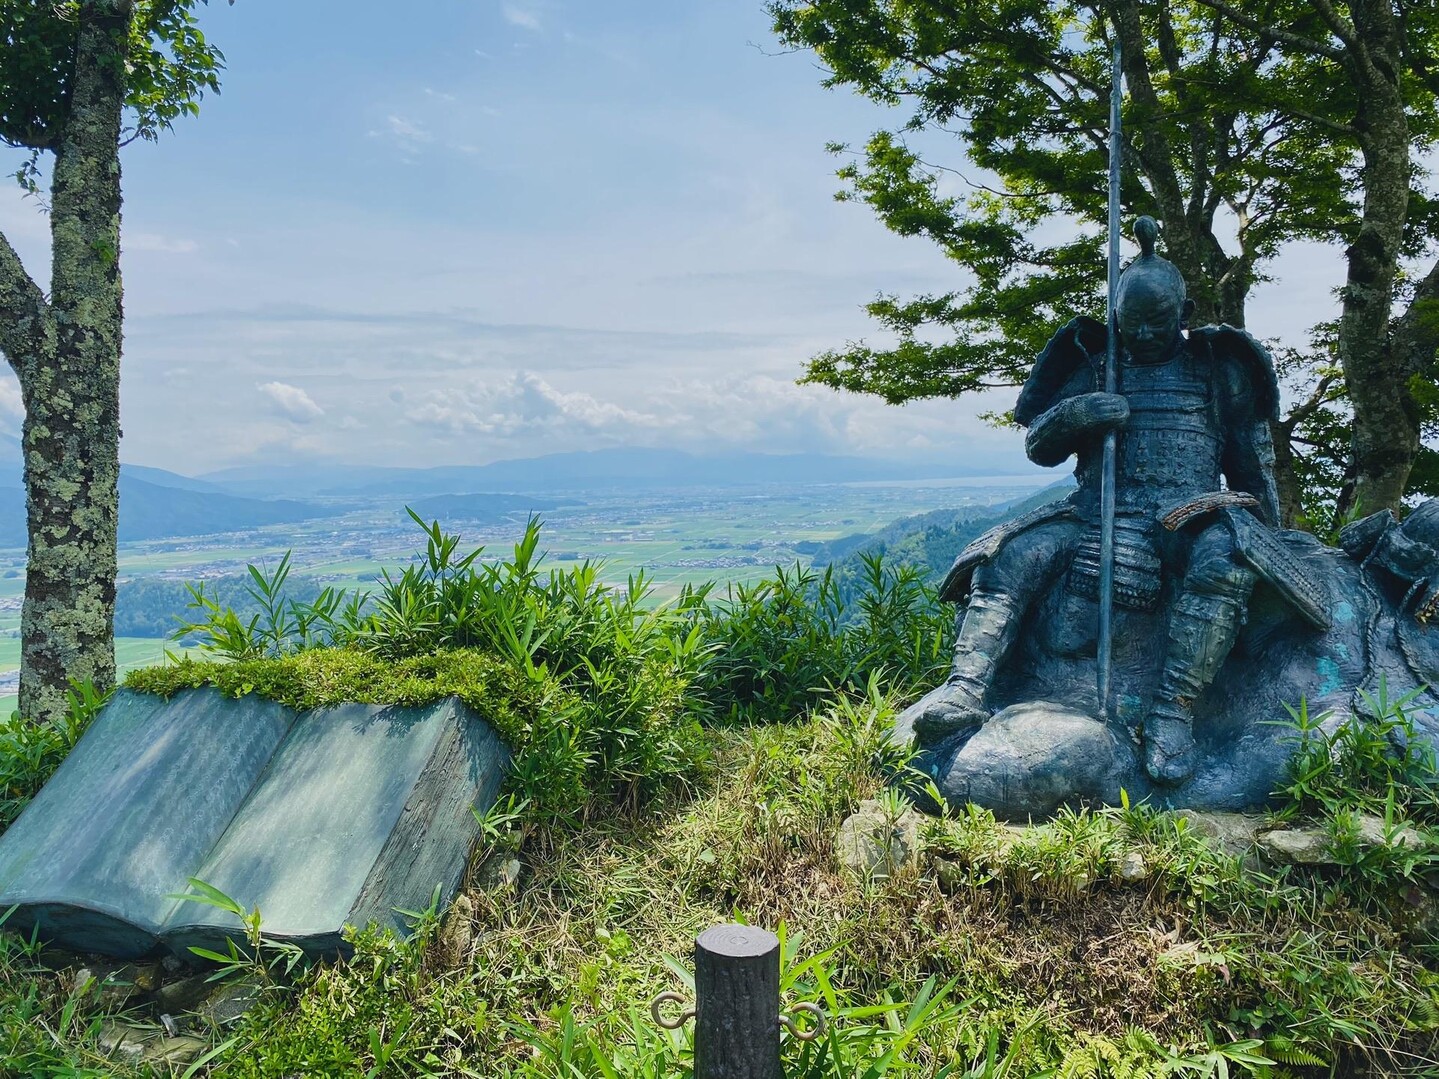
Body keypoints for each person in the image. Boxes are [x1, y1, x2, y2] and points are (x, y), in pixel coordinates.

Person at [910, 216, 1323, 785]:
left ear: (1182, 315)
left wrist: (1269, 537)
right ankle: (965, 689)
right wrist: (1076, 415)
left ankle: (1172, 711)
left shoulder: (1218, 368)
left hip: (1191, 512)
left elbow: (1250, 463)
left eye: (1157, 324)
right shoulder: (1095, 361)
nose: (1145, 336)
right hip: (1096, 509)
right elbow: (1040, 447)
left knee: (1224, 559)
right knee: (1011, 555)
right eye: (1132, 324)